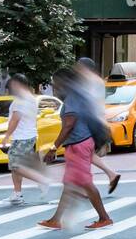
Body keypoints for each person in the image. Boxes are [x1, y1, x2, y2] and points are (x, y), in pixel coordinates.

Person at [39, 68, 113, 230]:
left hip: (78, 144)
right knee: (70, 183)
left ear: (62, 82)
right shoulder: (78, 95)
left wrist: (53, 147)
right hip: (79, 144)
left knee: (85, 182)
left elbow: (68, 125)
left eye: (55, 82)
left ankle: (104, 217)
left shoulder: (72, 98)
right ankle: (56, 219)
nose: (54, 86)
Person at [0, 74, 51, 205]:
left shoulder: (21, 100)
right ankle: (17, 193)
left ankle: (41, 180)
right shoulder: (30, 97)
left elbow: (16, 119)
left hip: (22, 137)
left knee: (16, 166)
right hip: (27, 136)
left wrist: (6, 136)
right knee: (16, 166)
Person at [75, 58, 121, 194]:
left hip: (90, 122)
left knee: (82, 153)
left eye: (79, 67)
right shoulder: (97, 81)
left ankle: (85, 187)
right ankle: (110, 174)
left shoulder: (88, 82)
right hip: (97, 121)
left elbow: (86, 103)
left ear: (84, 67)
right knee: (86, 154)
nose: (77, 70)